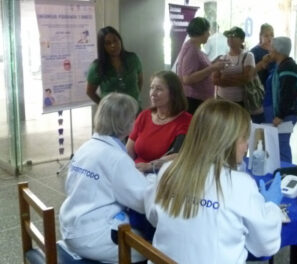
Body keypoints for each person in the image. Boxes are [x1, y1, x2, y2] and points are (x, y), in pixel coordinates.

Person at [144, 99, 283, 264]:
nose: (247, 147)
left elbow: (154, 217)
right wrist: (272, 207)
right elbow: (265, 246)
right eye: (244, 139)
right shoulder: (241, 184)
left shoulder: (168, 170)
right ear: (227, 141)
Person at [59, 93, 152, 263]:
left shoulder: (86, 147)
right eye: (133, 118)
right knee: (151, 249)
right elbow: (143, 202)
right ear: (126, 125)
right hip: (93, 237)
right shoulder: (117, 159)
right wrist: (153, 182)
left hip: (71, 226)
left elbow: (69, 186)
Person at [126, 70, 192, 173]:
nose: (153, 93)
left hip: (163, 175)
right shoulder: (144, 115)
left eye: (159, 89)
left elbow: (181, 155)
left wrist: (149, 166)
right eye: (151, 88)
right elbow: (129, 151)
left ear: (173, 93)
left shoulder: (185, 121)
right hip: (136, 172)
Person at [176, 17, 225, 114]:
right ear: (201, 32)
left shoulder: (194, 46)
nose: (209, 34)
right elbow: (187, 78)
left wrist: (214, 62)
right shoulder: (192, 50)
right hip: (194, 100)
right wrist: (213, 68)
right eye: (207, 31)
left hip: (198, 98)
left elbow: (199, 67)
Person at [86, 26, 143, 105]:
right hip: (111, 114)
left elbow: (140, 81)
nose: (113, 45)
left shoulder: (133, 58)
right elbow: (90, 92)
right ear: (103, 46)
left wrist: (134, 97)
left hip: (134, 110)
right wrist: (103, 106)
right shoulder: (97, 67)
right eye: (108, 43)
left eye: (115, 41)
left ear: (120, 40)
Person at [269, 36, 297, 163]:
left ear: (278, 51)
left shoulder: (288, 67)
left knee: (282, 144)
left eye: (271, 48)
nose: (269, 51)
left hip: (287, 114)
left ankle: (287, 171)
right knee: (280, 143)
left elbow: (288, 93)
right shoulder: (282, 65)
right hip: (285, 113)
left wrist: (280, 115)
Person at [213, 27, 255, 107]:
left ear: (242, 40)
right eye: (229, 36)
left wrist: (224, 78)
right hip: (221, 99)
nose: (230, 38)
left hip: (240, 100)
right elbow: (215, 80)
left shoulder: (248, 56)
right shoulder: (222, 58)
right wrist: (238, 79)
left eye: (234, 36)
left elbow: (247, 78)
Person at [250, 23, 276, 123]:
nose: (270, 38)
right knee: (260, 123)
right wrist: (262, 63)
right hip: (259, 92)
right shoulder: (254, 52)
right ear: (260, 36)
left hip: (273, 91)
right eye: (266, 35)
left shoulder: (276, 51)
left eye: (272, 35)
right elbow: (250, 72)